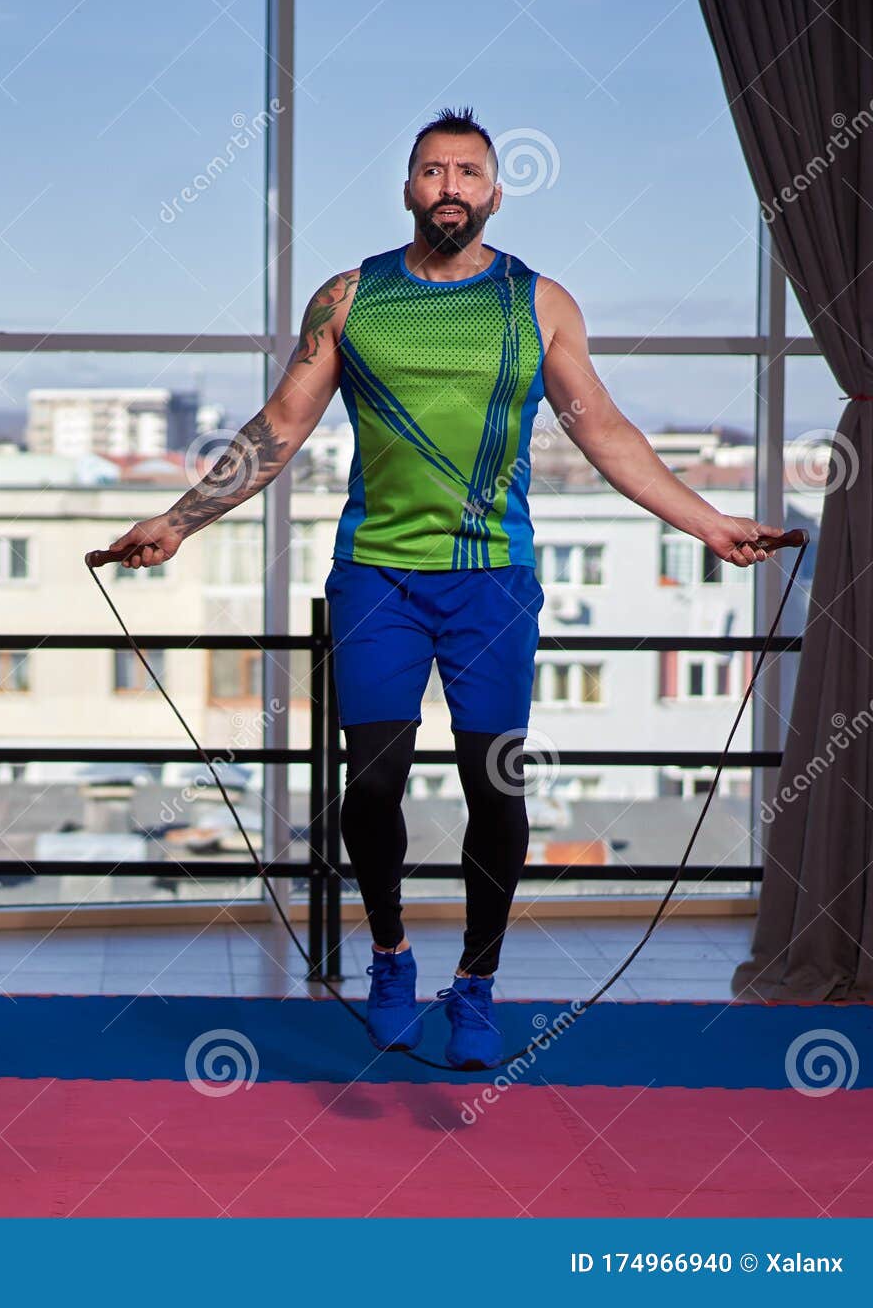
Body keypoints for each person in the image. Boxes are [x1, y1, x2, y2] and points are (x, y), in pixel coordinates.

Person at [96, 106, 785, 1068]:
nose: (450, 186)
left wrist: (707, 522)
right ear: (409, 188)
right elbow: (280, 426)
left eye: (468, 171)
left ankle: (476, 982)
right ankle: (390, 955)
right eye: (433, 171)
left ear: (495, 193)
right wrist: (178, 517)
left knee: (492, 784)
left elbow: (606, 430)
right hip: (376, 572)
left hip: (491, 579)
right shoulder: (348, 298)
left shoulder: (538, 303)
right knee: (372, 784)